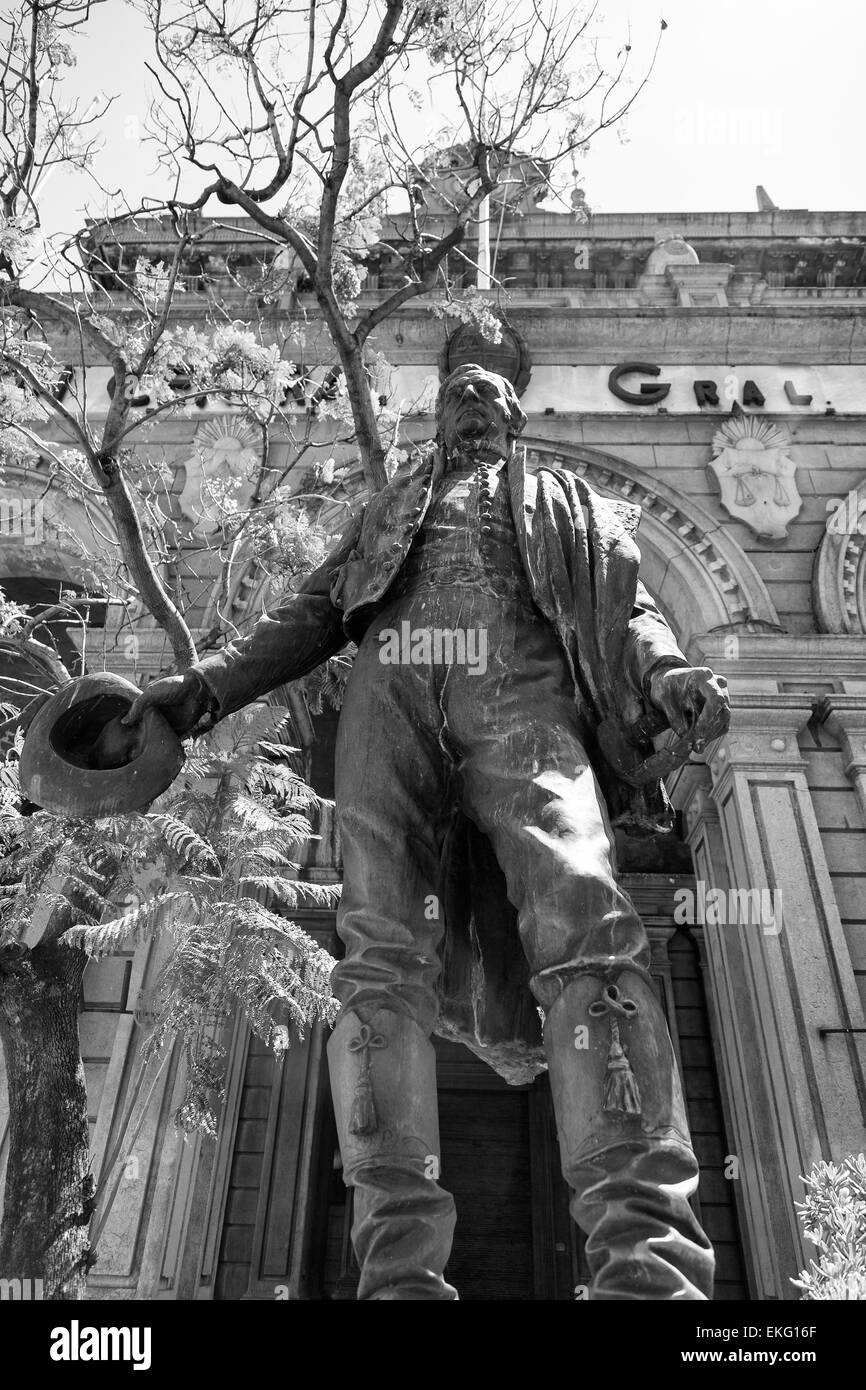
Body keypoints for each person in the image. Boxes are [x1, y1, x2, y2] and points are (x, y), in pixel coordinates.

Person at [126, 364, 730, 1300]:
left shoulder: (567, 500)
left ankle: (647, 1266)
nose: (472, 405)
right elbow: (314, 613)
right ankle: (398, 1274)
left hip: (520, 684)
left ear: (515, 416)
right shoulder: (393, 505)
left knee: (589, 917)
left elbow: (630, 610)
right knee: (376, 952)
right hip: (390, 687)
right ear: (439, 417)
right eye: (458, 395)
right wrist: (203, 690)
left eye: (489, 395)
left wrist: (669, 675)